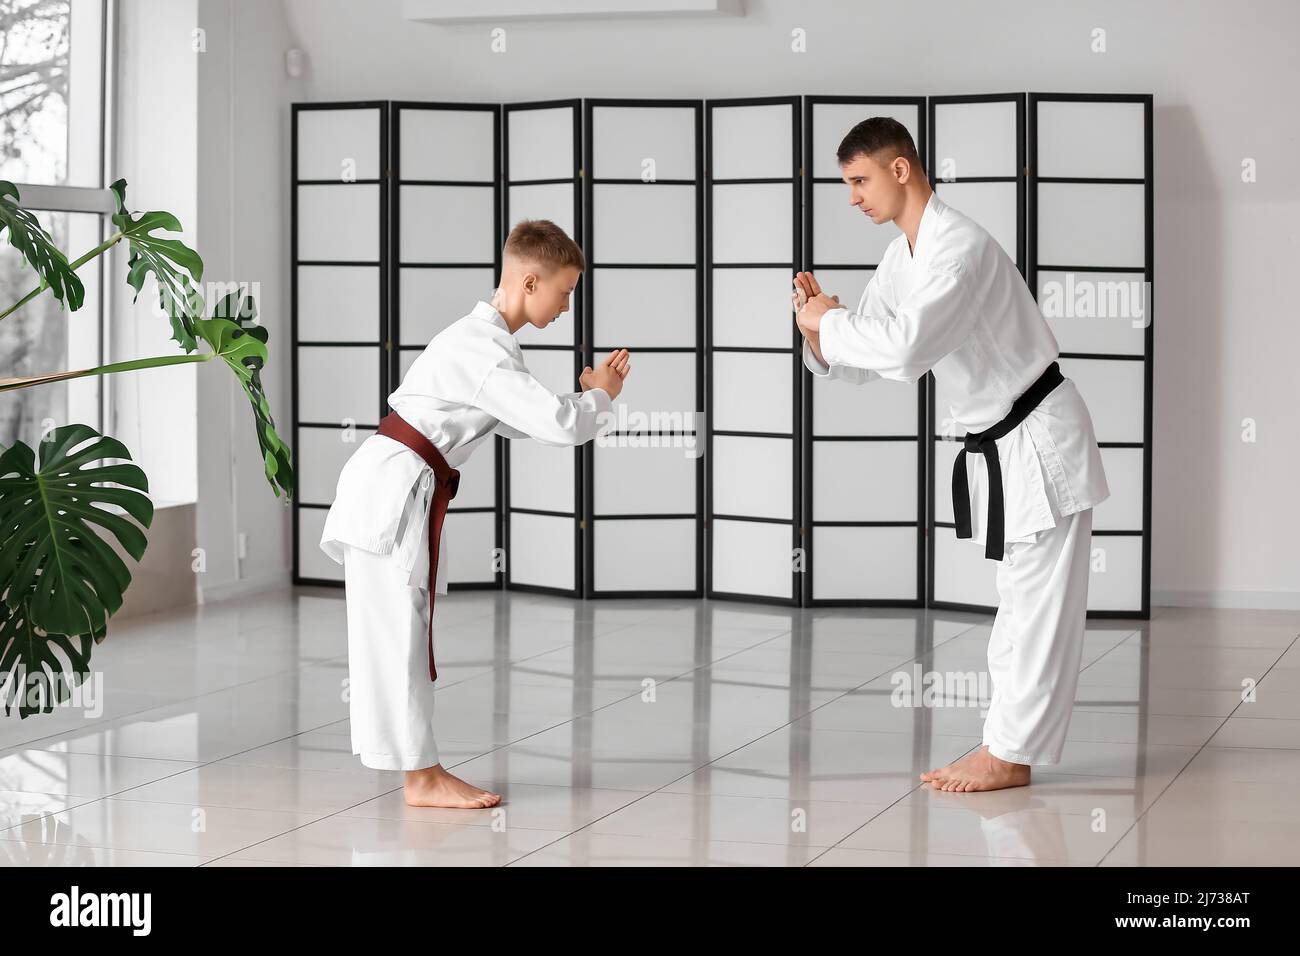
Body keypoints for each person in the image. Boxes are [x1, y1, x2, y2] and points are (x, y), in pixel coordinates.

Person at [793, 117, 1109, 792]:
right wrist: (818, 331)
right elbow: (867, 354)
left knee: (1037, 608)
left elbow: (903, 350)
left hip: (1038, 438)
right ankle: (1006, 746)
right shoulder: (903, 256)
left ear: (900, 169)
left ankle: (1008, 754)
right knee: (1020, 603)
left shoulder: (956, 249)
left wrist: (834, 325)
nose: (852, 197)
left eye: (859, 180)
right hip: (1004, 443)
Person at [319, 219, 631, 808]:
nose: (568, 306)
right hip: (393, 490)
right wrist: (602, 398)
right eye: (565, 292)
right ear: (530, 281)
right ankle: (422, 778)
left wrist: (588, 398)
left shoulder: (485, 346)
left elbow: (527, 420)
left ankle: (418, 772)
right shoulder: (482, 351)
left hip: (394, 485)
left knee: (397, 631)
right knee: (396, 635)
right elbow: (559, 426)